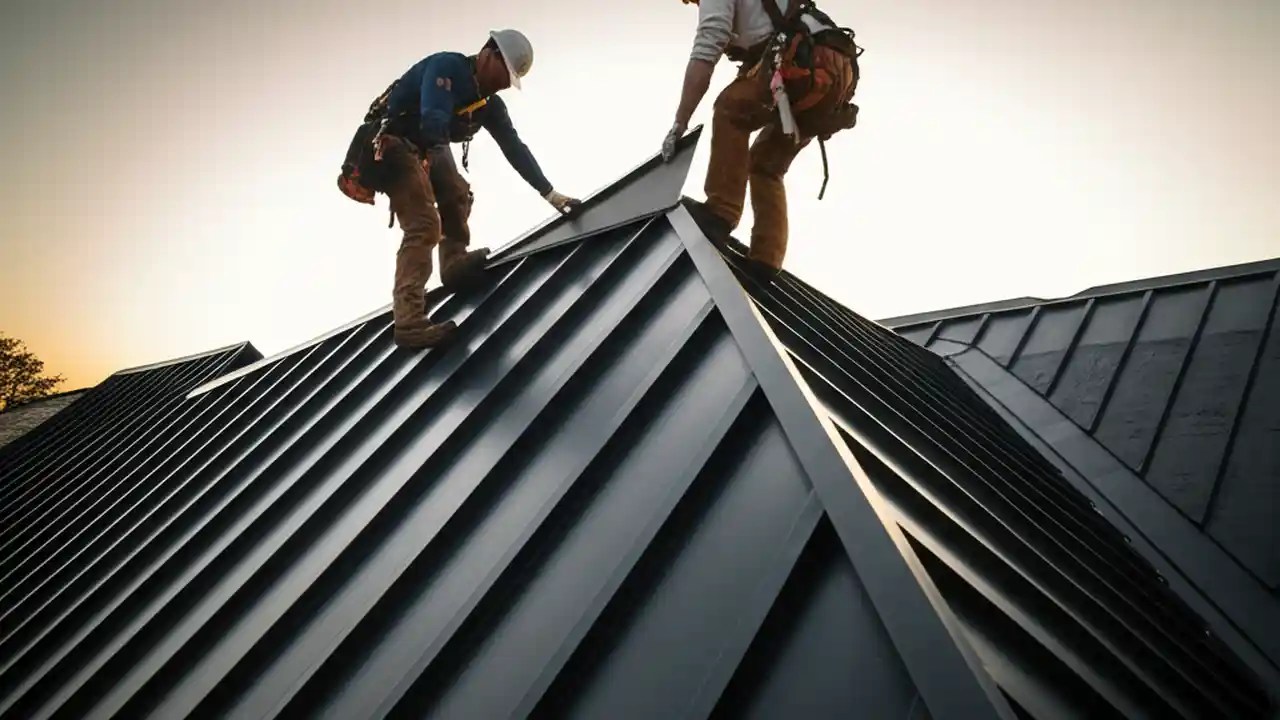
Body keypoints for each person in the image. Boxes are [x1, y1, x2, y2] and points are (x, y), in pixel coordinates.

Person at [371, 29, 582, 349]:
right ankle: (409, 323)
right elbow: (433, 123)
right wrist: (448, 179)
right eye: (504, 72)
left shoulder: (488, 105)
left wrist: (550, 193)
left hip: (422, 151)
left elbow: (514, 147)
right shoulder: (447, 68)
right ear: (488, 53)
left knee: (459, 193)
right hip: (391, 146)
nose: (503, 84)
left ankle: (453, 263)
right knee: (424, 224)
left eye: (510, 79)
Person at [661, 0, 859, 278]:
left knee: (731, 110)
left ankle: (721, 212)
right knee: (767, 165)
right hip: (829, 81)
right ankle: (767, 258)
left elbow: (707, 48)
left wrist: (680, 122)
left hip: (800, 65)